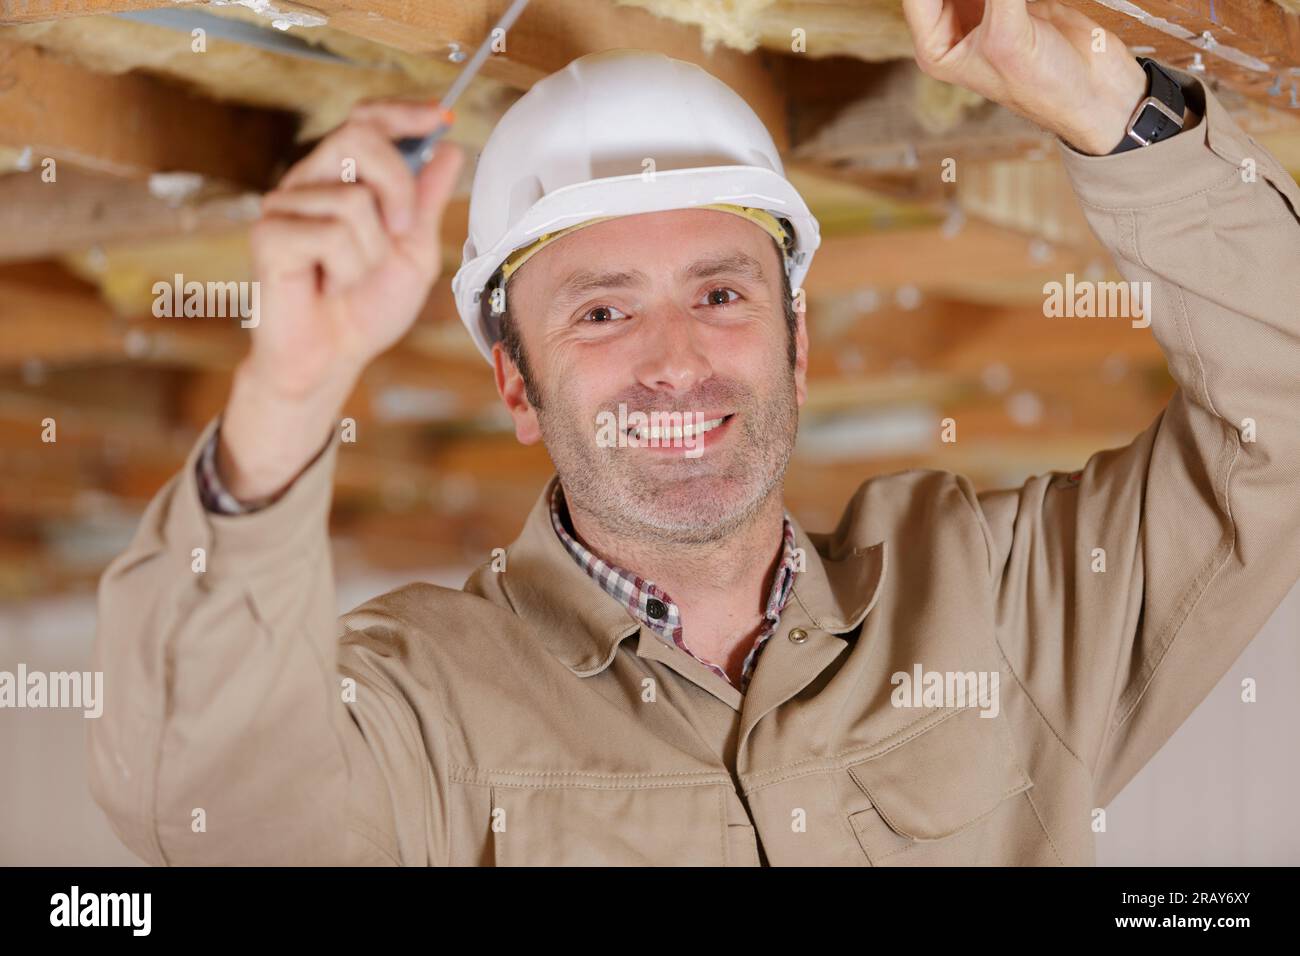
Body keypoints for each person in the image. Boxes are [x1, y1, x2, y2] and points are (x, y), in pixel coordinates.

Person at [91, 1, 1300, 865]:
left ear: (796, 340)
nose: (674, 360)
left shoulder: (1004, 610)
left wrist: (1113, 109)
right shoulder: (420, 716)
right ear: (516, 385)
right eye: (602, 310)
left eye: (719, 293)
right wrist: (289, 390)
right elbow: (202, 819)